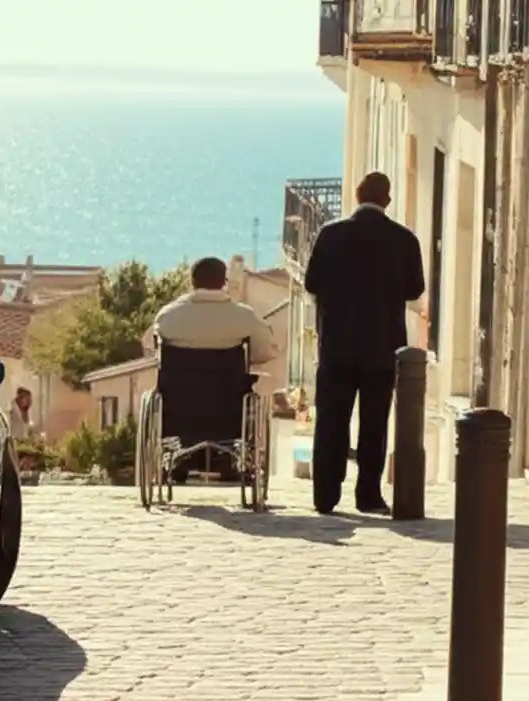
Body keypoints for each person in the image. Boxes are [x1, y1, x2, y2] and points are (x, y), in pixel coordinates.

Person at [304, 172, 425, 516]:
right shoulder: (404, 240)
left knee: (331, 420)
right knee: (375, 422)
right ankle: (368, 494)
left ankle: (325, 494)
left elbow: (312, 282)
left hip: (337, 346)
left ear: (356, 197)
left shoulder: (330, 235)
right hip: (382, 348)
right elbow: (415, 289)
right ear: (387, 199)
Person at [154, 256, 278, 483]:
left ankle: (180, 458)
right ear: (224, 282)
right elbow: (264, 351)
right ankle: (227, 458)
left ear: (192, 282)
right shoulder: (244, 316)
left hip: (180, 407)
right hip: (227, 406)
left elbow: (152, 350)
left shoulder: (168, 317)